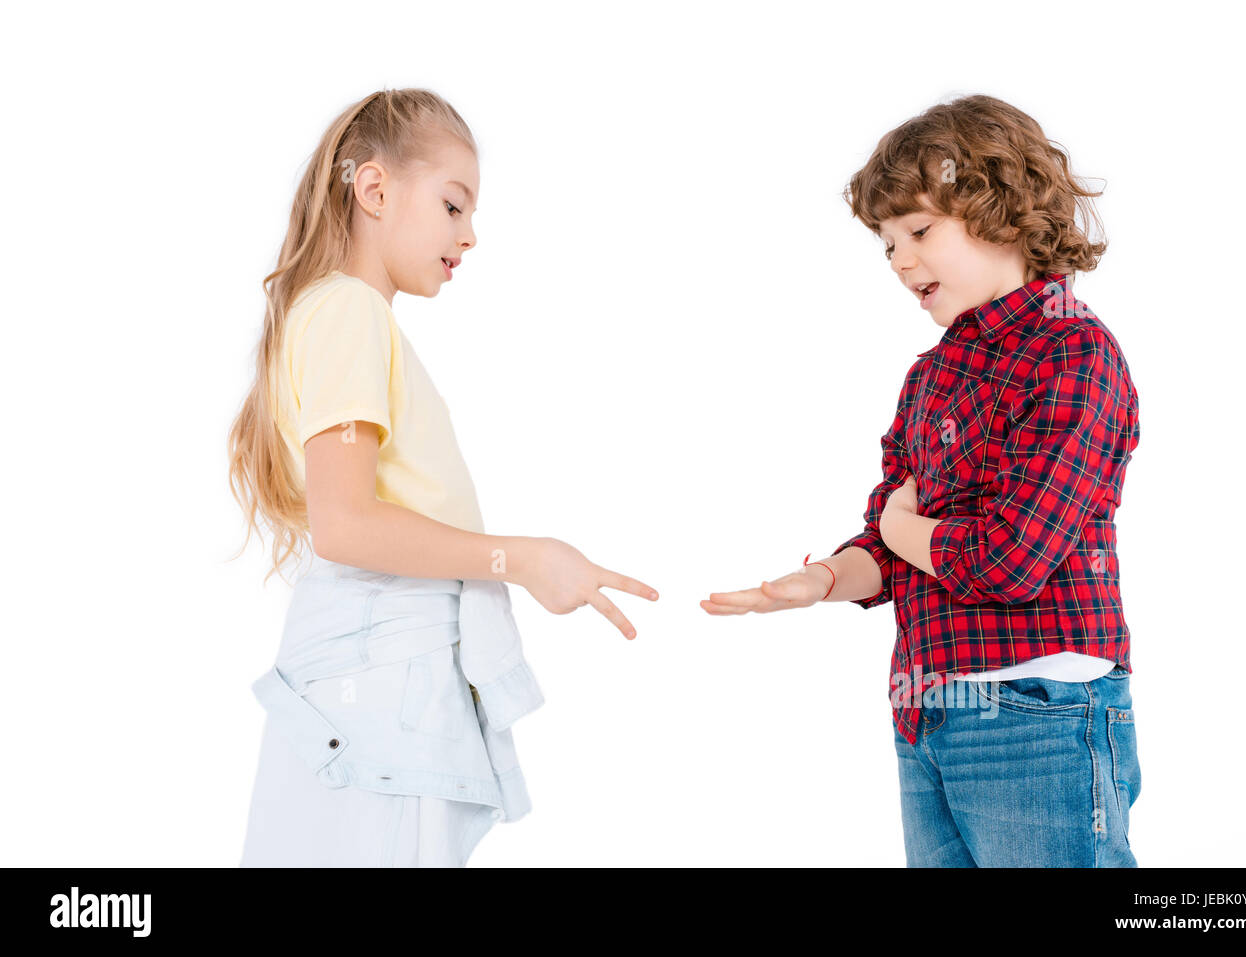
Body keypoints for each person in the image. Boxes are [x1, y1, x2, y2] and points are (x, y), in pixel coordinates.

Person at [702, 94, 1142, 867]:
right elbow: (889, 543)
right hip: (928, 713)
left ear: (1001, 209)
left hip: (1039, 711)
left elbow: (1010, 557)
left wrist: (905, 533)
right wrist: (826, 578)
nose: (899, 259)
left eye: (918, 231)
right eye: (886, 243)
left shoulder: (1075, 356)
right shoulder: (930, 377)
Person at [227, 87, 658, 867]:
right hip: (382, 684)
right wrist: (522, 559)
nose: (471, 235)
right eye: (454, 206)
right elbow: (347, 523)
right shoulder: (350, 313)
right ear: (376, 190)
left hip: (376, 681)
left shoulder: (341, 316)